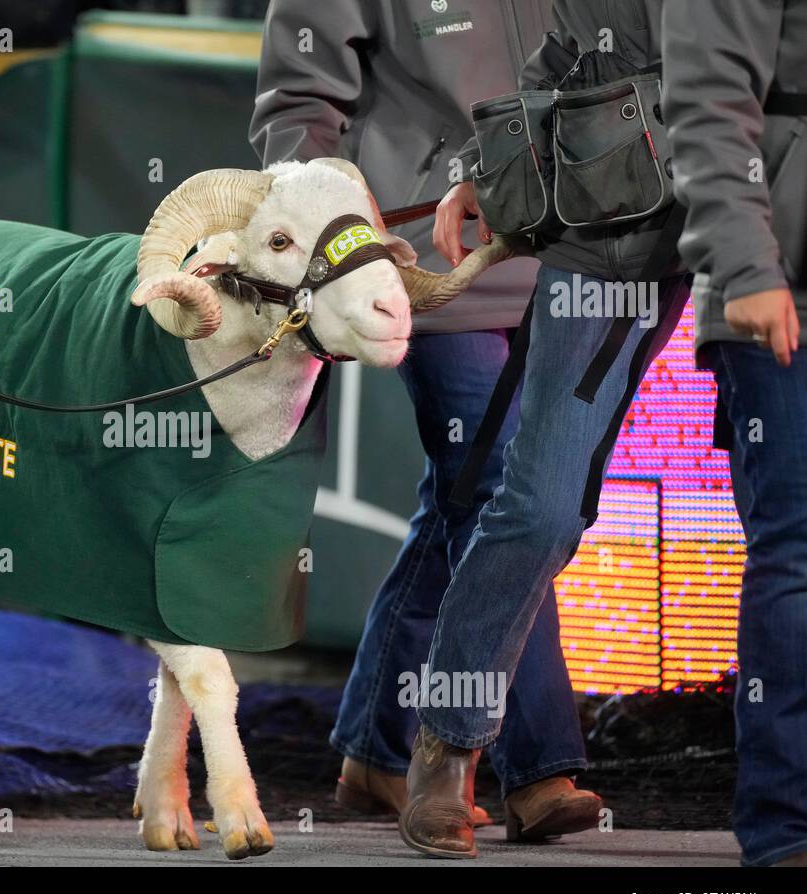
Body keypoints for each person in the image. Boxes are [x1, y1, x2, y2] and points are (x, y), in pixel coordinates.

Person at [250, 0, 602, 837]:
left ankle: (374, 749)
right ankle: (534, 765)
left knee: (463, 501)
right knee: (497, 498)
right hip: (429, 265)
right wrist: (337, 244)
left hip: (574, 255)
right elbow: (297, 104)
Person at [402, 0, 694, 858]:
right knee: (542, 505)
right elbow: (565, 56)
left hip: (746, 229)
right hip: (610, 241)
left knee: (781, 526)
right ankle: (447, 742)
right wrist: (479, 172)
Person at [663, 0, 807, 867]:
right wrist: (749, 266)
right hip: (782, 284)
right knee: (798, 550)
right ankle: (787, 830)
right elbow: (709, 95)